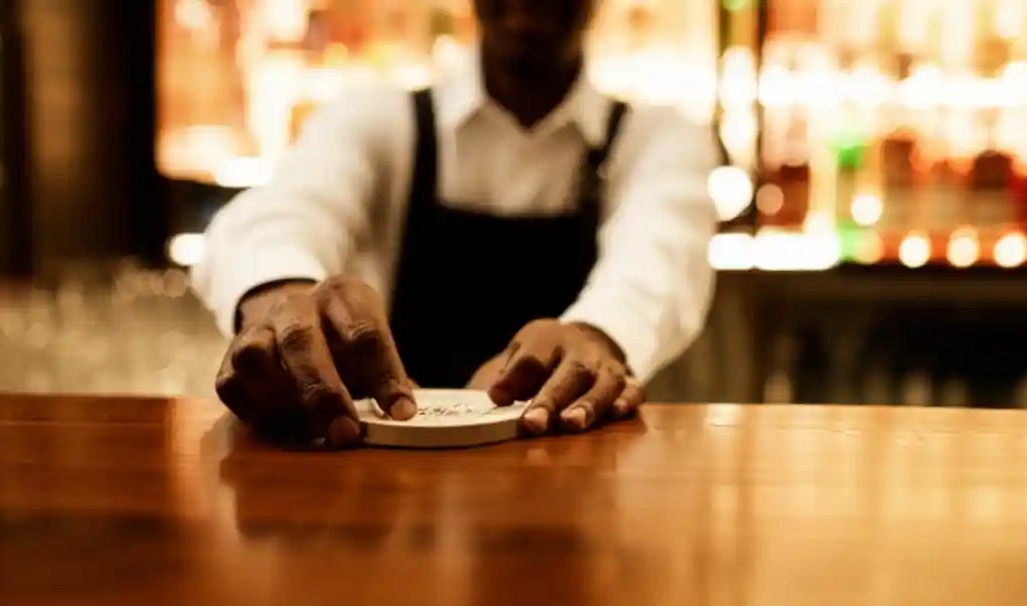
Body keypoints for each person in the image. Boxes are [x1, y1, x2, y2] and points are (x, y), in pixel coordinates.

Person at [193, 0, 717, 448]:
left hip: (575, 476)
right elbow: (279, 212)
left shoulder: (658, 138)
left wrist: (597, 336)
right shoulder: (378, 119)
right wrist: (279, 296)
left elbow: (662, 256)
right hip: (387, 483)